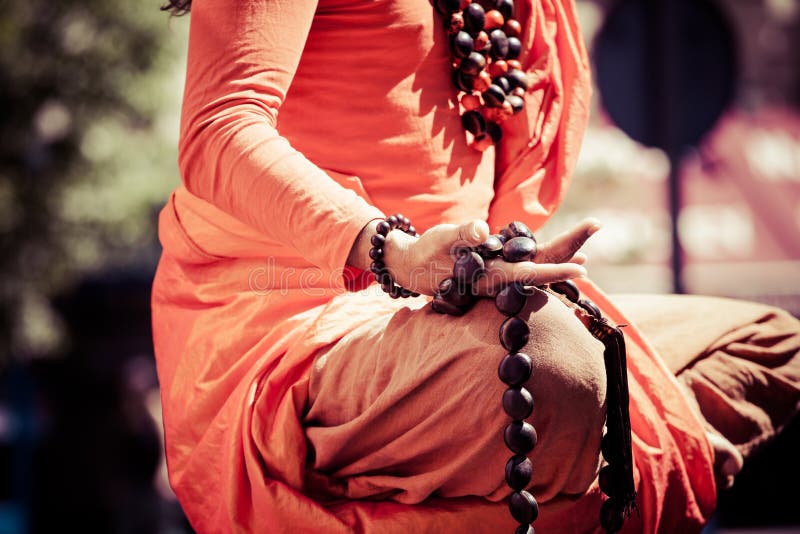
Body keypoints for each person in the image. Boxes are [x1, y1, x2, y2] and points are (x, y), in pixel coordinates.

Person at [150, 0, 800, 532]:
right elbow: (220, 129)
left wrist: (494, 265)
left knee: (771, 347)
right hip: (304, 318)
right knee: (555, 369)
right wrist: (391, 252)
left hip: (462, 314)